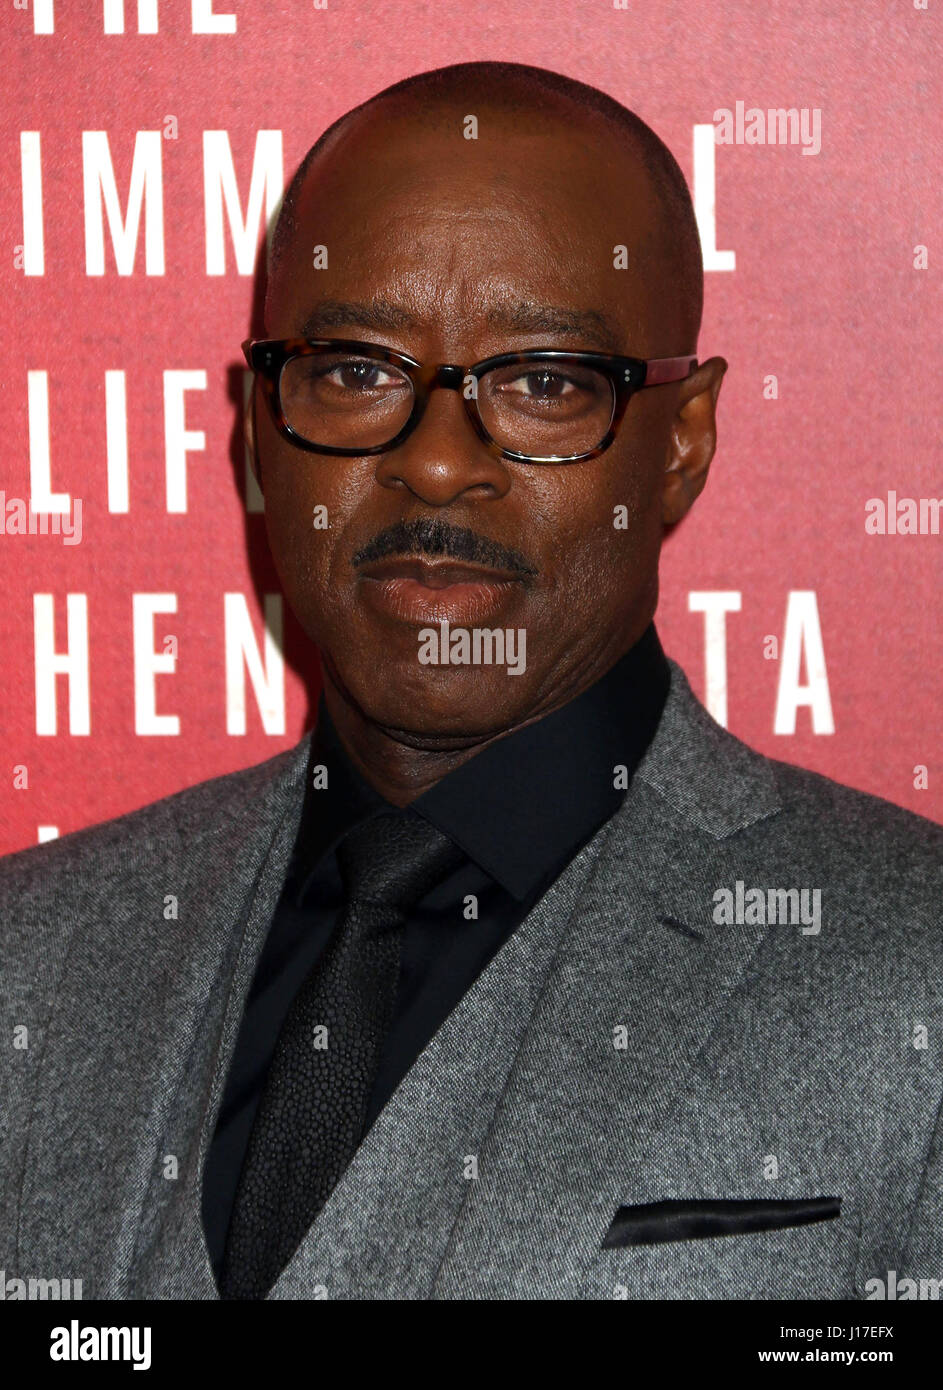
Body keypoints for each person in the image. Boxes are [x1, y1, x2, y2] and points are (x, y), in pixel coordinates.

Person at [1, 61, 940, 1303]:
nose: (437, 465)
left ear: (685, 443)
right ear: (254, 426)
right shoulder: (34, 951)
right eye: (354, 369)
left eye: (545, 381)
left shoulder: (908, 962)